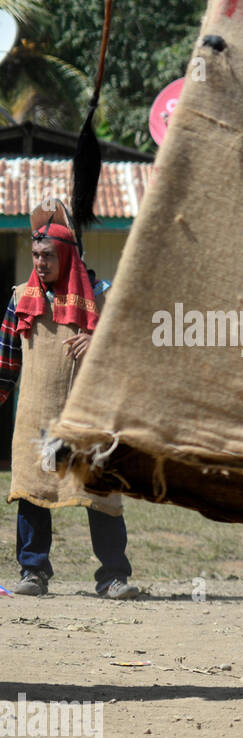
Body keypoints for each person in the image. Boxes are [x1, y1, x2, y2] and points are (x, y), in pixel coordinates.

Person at [0, 203, 139, 599]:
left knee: (100, 494)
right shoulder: (21, 299)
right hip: (38, 416)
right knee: (32, 491)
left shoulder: (102, 296)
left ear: (67, 256)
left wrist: (98, 342)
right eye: (35, 255)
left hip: (89, 419)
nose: (40, 263)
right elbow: (5, 360)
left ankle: (112, 576)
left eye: (47, 256)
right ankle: (33, 571)